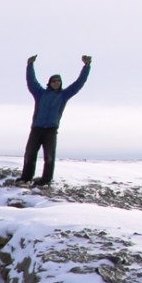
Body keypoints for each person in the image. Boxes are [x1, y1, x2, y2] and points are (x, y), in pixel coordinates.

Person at [18, 54, 91, 186]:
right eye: (54, 81)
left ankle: (46, 180)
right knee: (30, 153)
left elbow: (79, 83)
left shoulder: (64, 95)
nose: (56, 83)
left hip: (51, 130)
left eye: (58, 81)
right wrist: (30, 65)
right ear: (50, 83)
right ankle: (26, 177)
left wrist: (86, 66)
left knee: (49, 156)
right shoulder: (40, 94)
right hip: (36, 129)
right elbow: (31, 81)